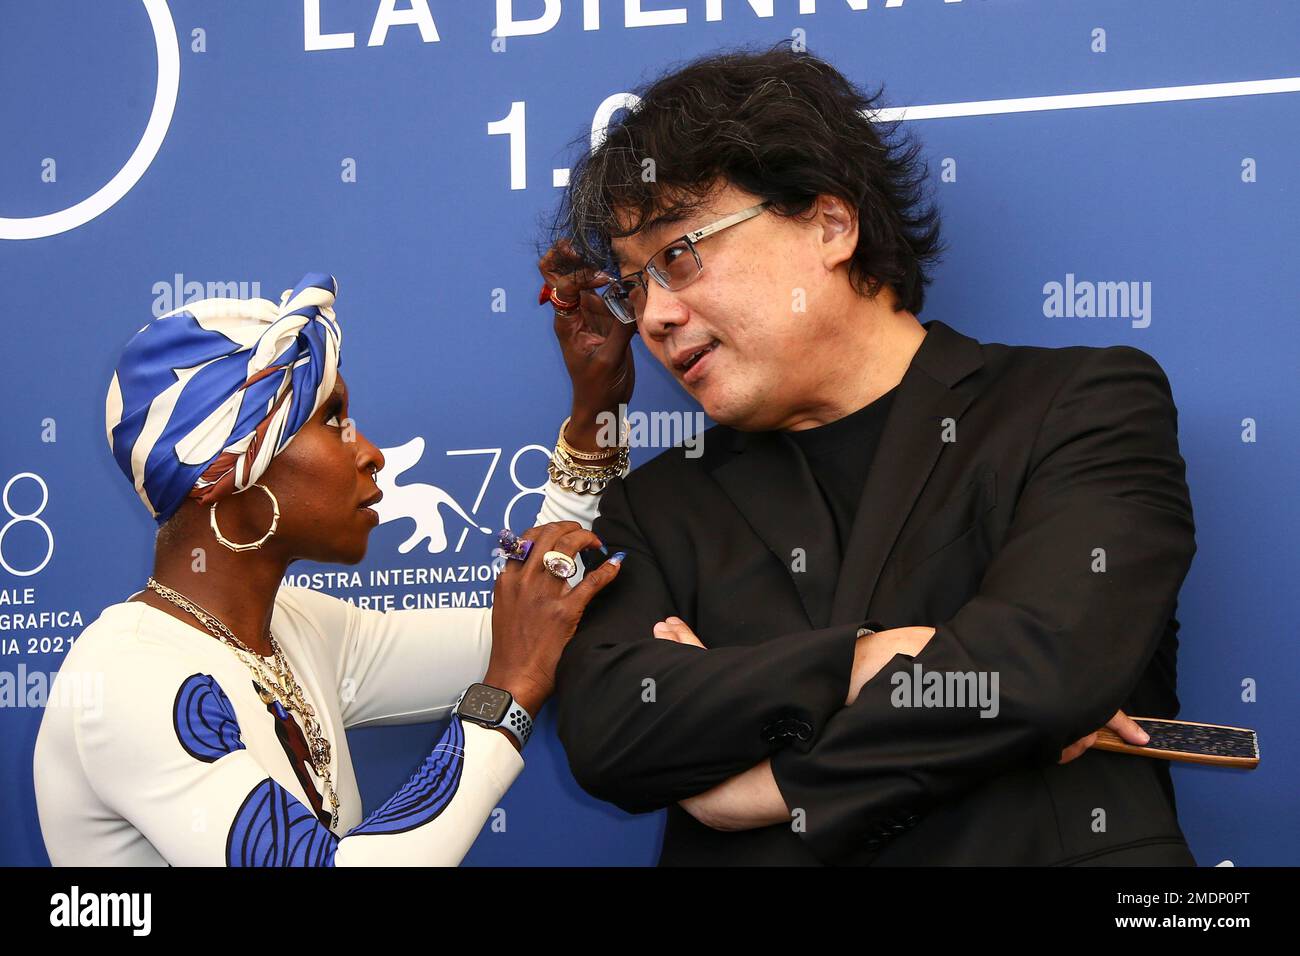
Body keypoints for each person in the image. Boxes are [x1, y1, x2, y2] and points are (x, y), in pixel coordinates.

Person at [545, 45, 1198, 865]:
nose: (655, 317)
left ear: (830, 224)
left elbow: (1043, 668)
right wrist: (870, 660)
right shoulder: (656, 503)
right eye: (633, 285)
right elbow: (612, 728)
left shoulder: (1082, 406)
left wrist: (764, 786)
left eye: (678, 255)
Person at [32, 270, 634, 866]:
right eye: (331, 419)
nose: (370, 452)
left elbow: (533, 627)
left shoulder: (293, 629)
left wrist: (595, 414)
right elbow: (516, 662)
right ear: (233, 469)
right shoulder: (127, 678)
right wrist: (507, 697)